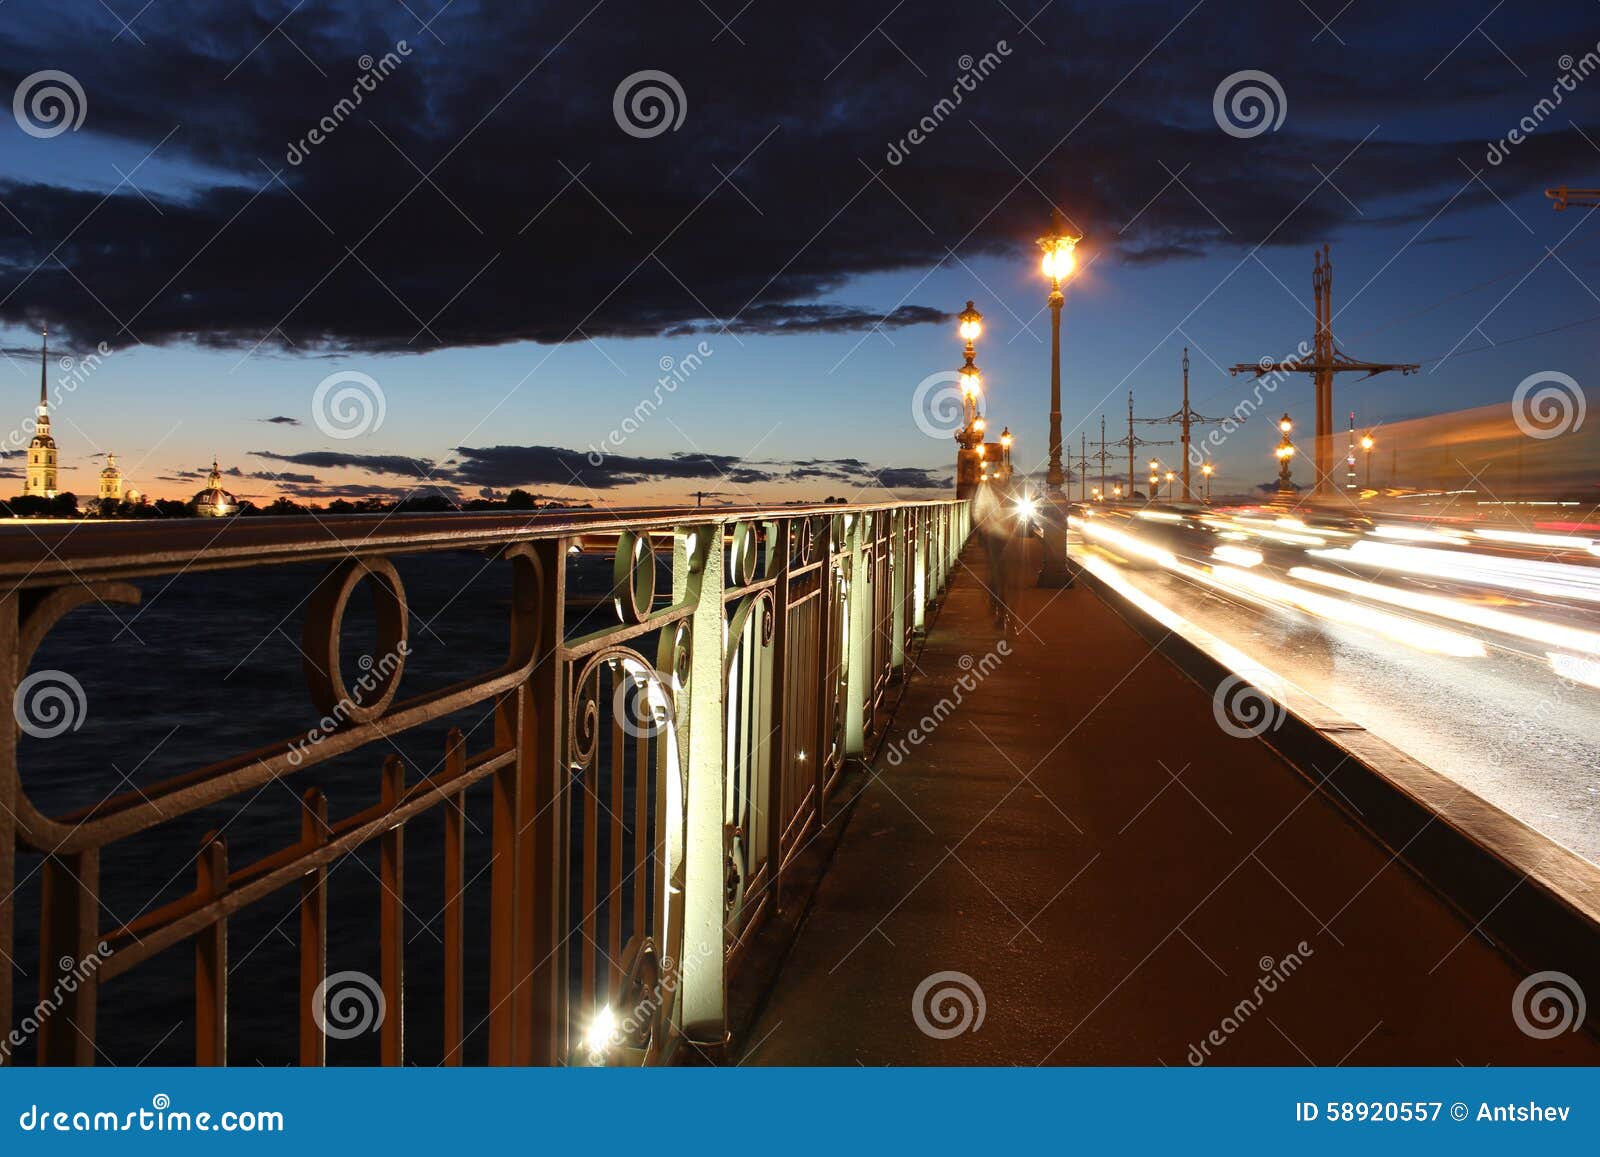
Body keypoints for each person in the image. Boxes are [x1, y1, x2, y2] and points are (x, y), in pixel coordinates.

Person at [972, 484, 1022, 633]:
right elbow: (978, 512)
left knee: (1007, 575)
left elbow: (978, 512)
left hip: (1007, 536)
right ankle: (1002, 612)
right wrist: (986, 526)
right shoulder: (987, 487)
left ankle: (1003, 611)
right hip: (995, 536)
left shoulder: (1010, 487)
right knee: (1000, 574)